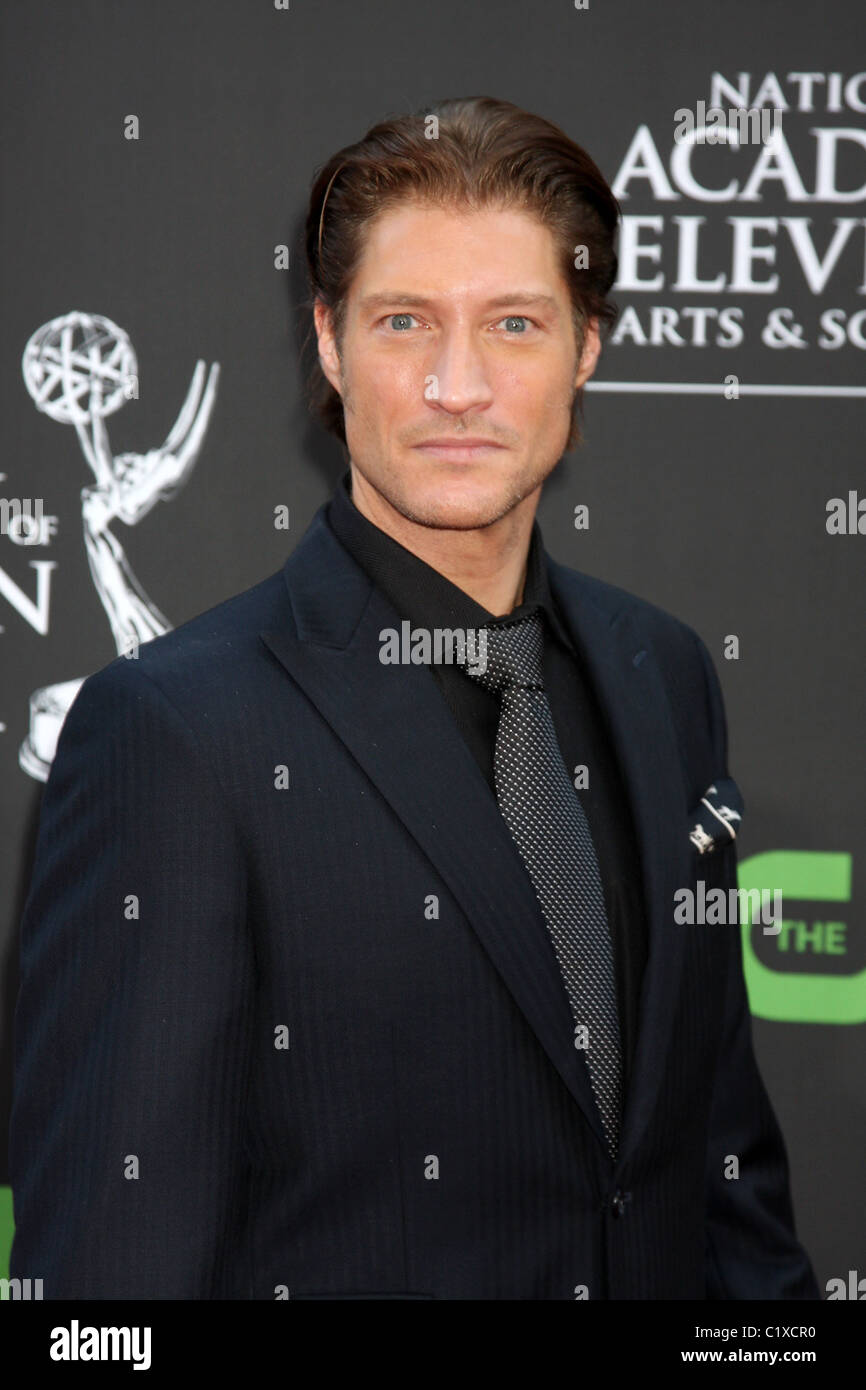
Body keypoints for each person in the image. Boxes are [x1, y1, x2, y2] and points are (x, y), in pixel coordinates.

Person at [8, 95, 819, 1300]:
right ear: (328, 344)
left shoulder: (663, 674)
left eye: (513, 323)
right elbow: (111, 1283)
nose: (456, 383)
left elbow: (717, 1175)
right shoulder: (173, 733)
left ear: (586, 345)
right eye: (403, 323)